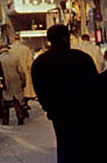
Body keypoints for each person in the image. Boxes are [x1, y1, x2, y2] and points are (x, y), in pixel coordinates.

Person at [31, 24, 99, 163]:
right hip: (84, 111)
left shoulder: (40, 62)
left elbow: (39, 87)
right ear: (66, 38)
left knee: (64, 143)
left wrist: (48, 107)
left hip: (58, 113)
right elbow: (94, 84)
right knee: (85, 145)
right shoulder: (82, 58)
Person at [0, 45, 27, 125]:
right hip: (16, 81)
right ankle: (20, 117)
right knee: (17, 101)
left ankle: (5, 120)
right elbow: (21, 71)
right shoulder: (15, 57)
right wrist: (23, 81)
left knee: (4, 102)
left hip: (5, 81)